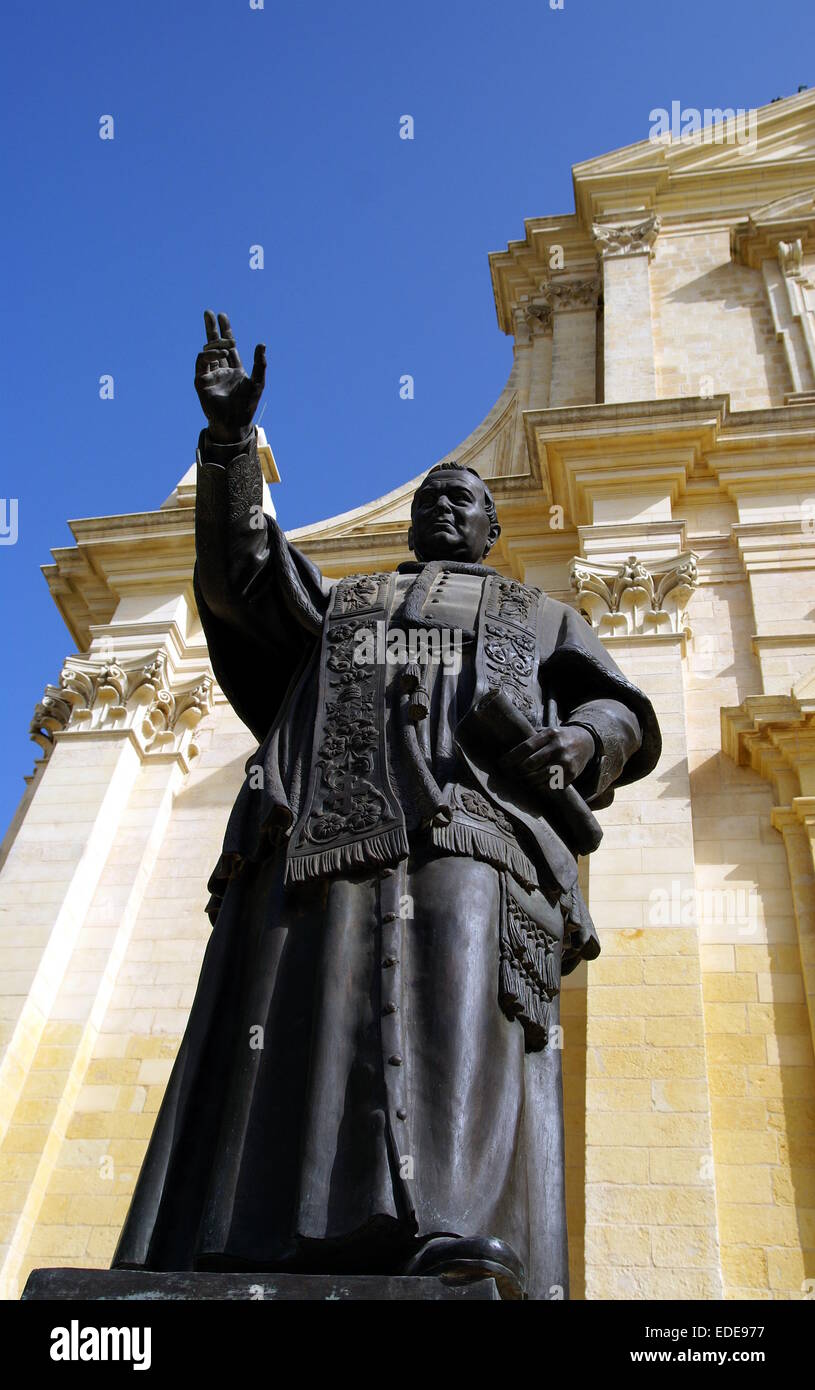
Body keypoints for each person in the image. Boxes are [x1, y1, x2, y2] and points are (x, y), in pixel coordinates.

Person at [112, 312, 660, 1299]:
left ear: (492, 531)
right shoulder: (346, 607)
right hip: (329, 838)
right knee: (302, 1020)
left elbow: (614, 706)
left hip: (473, 837)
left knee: (457, 1012)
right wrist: (230, 444)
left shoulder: (541, 615)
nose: (448, 506)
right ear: (411, 523)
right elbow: (241, 581)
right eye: (434, 496)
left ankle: (455, 1228)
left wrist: (580, 740)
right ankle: (266, 1234)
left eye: (467, 499)